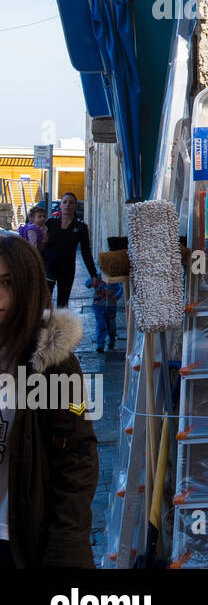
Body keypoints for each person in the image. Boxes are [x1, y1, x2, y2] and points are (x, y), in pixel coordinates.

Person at [0, 236, 98, 568]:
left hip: (21, 541)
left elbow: (77, 458)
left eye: (7, 283)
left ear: (27, 286)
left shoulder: (50, 360)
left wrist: (67, 543)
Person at [44, 193, 97, 309]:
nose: (67, 205)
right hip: (49, 268)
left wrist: (93, 274)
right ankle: (44, 326)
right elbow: (40, 244)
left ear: (75, 206)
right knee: (44, 303)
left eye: (71, 202)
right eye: (65, 202)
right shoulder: (51, 223)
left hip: (67, 269)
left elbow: (85, 252)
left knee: (62, 304)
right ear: (60, 205)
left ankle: (60, 327)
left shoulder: (81, 227)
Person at [87, 275, 122, 353]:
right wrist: (91, 282)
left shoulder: (114, 279)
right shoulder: (98, 277)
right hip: (98, 306)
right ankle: (100, 344)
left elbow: (120, 288)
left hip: (111, 306)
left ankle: (112, 341)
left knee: (111, 325)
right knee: (100, 324)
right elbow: (87, 283)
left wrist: (116, 296)